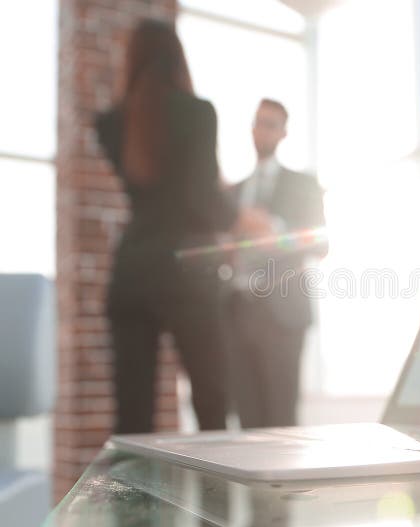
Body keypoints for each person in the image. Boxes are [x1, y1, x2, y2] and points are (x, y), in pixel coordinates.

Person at [95, 19, 260, 434]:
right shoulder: (197, 112)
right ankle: (213, 483)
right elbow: (201, 199)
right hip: (189, 271)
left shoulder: (112, 122)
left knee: (132, 419)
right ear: (177, 57)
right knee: (212, 405)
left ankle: (133, 483)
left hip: (132, 272)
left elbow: (159, 190)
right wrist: (243, 220)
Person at [225, 98, 327, 428]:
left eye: (271, 124)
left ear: (283, 133)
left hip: (283, 313)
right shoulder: (234, 192)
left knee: (282, 422)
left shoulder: (302, 184)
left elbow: (321, 242)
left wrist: (275, 230)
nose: (263, 130)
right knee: (248, 422)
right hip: (238, 312)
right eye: (258, 122)